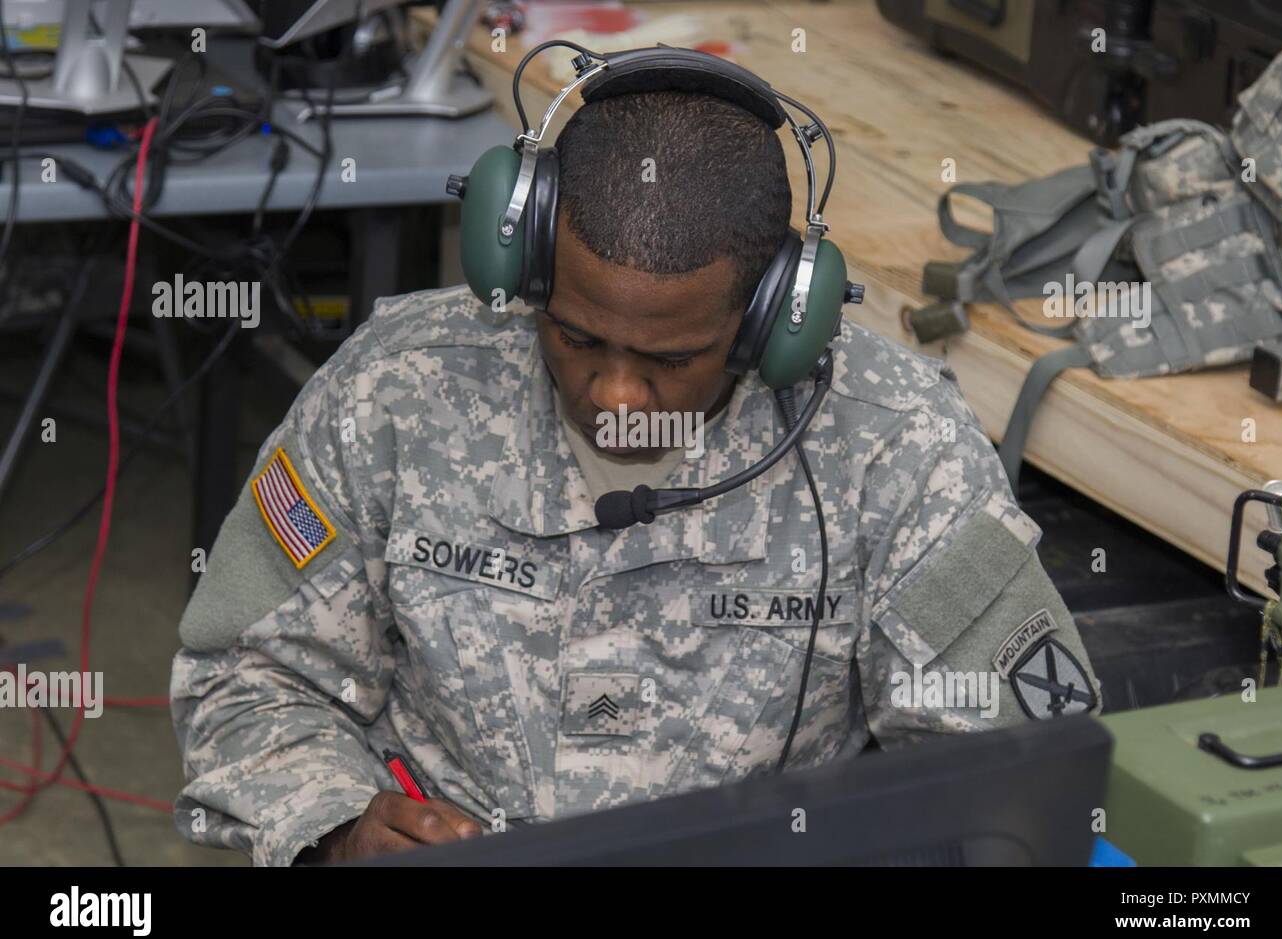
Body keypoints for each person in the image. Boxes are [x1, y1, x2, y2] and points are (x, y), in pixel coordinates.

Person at [170, 88, 1102, 867]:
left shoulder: (894, 446)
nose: (614, 392)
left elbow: (1015, 774)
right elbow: (246, 671)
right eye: (575, 337)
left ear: (772, 320)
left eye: (674, 358)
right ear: (525, 266)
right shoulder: (394, 391)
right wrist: (335, 826)